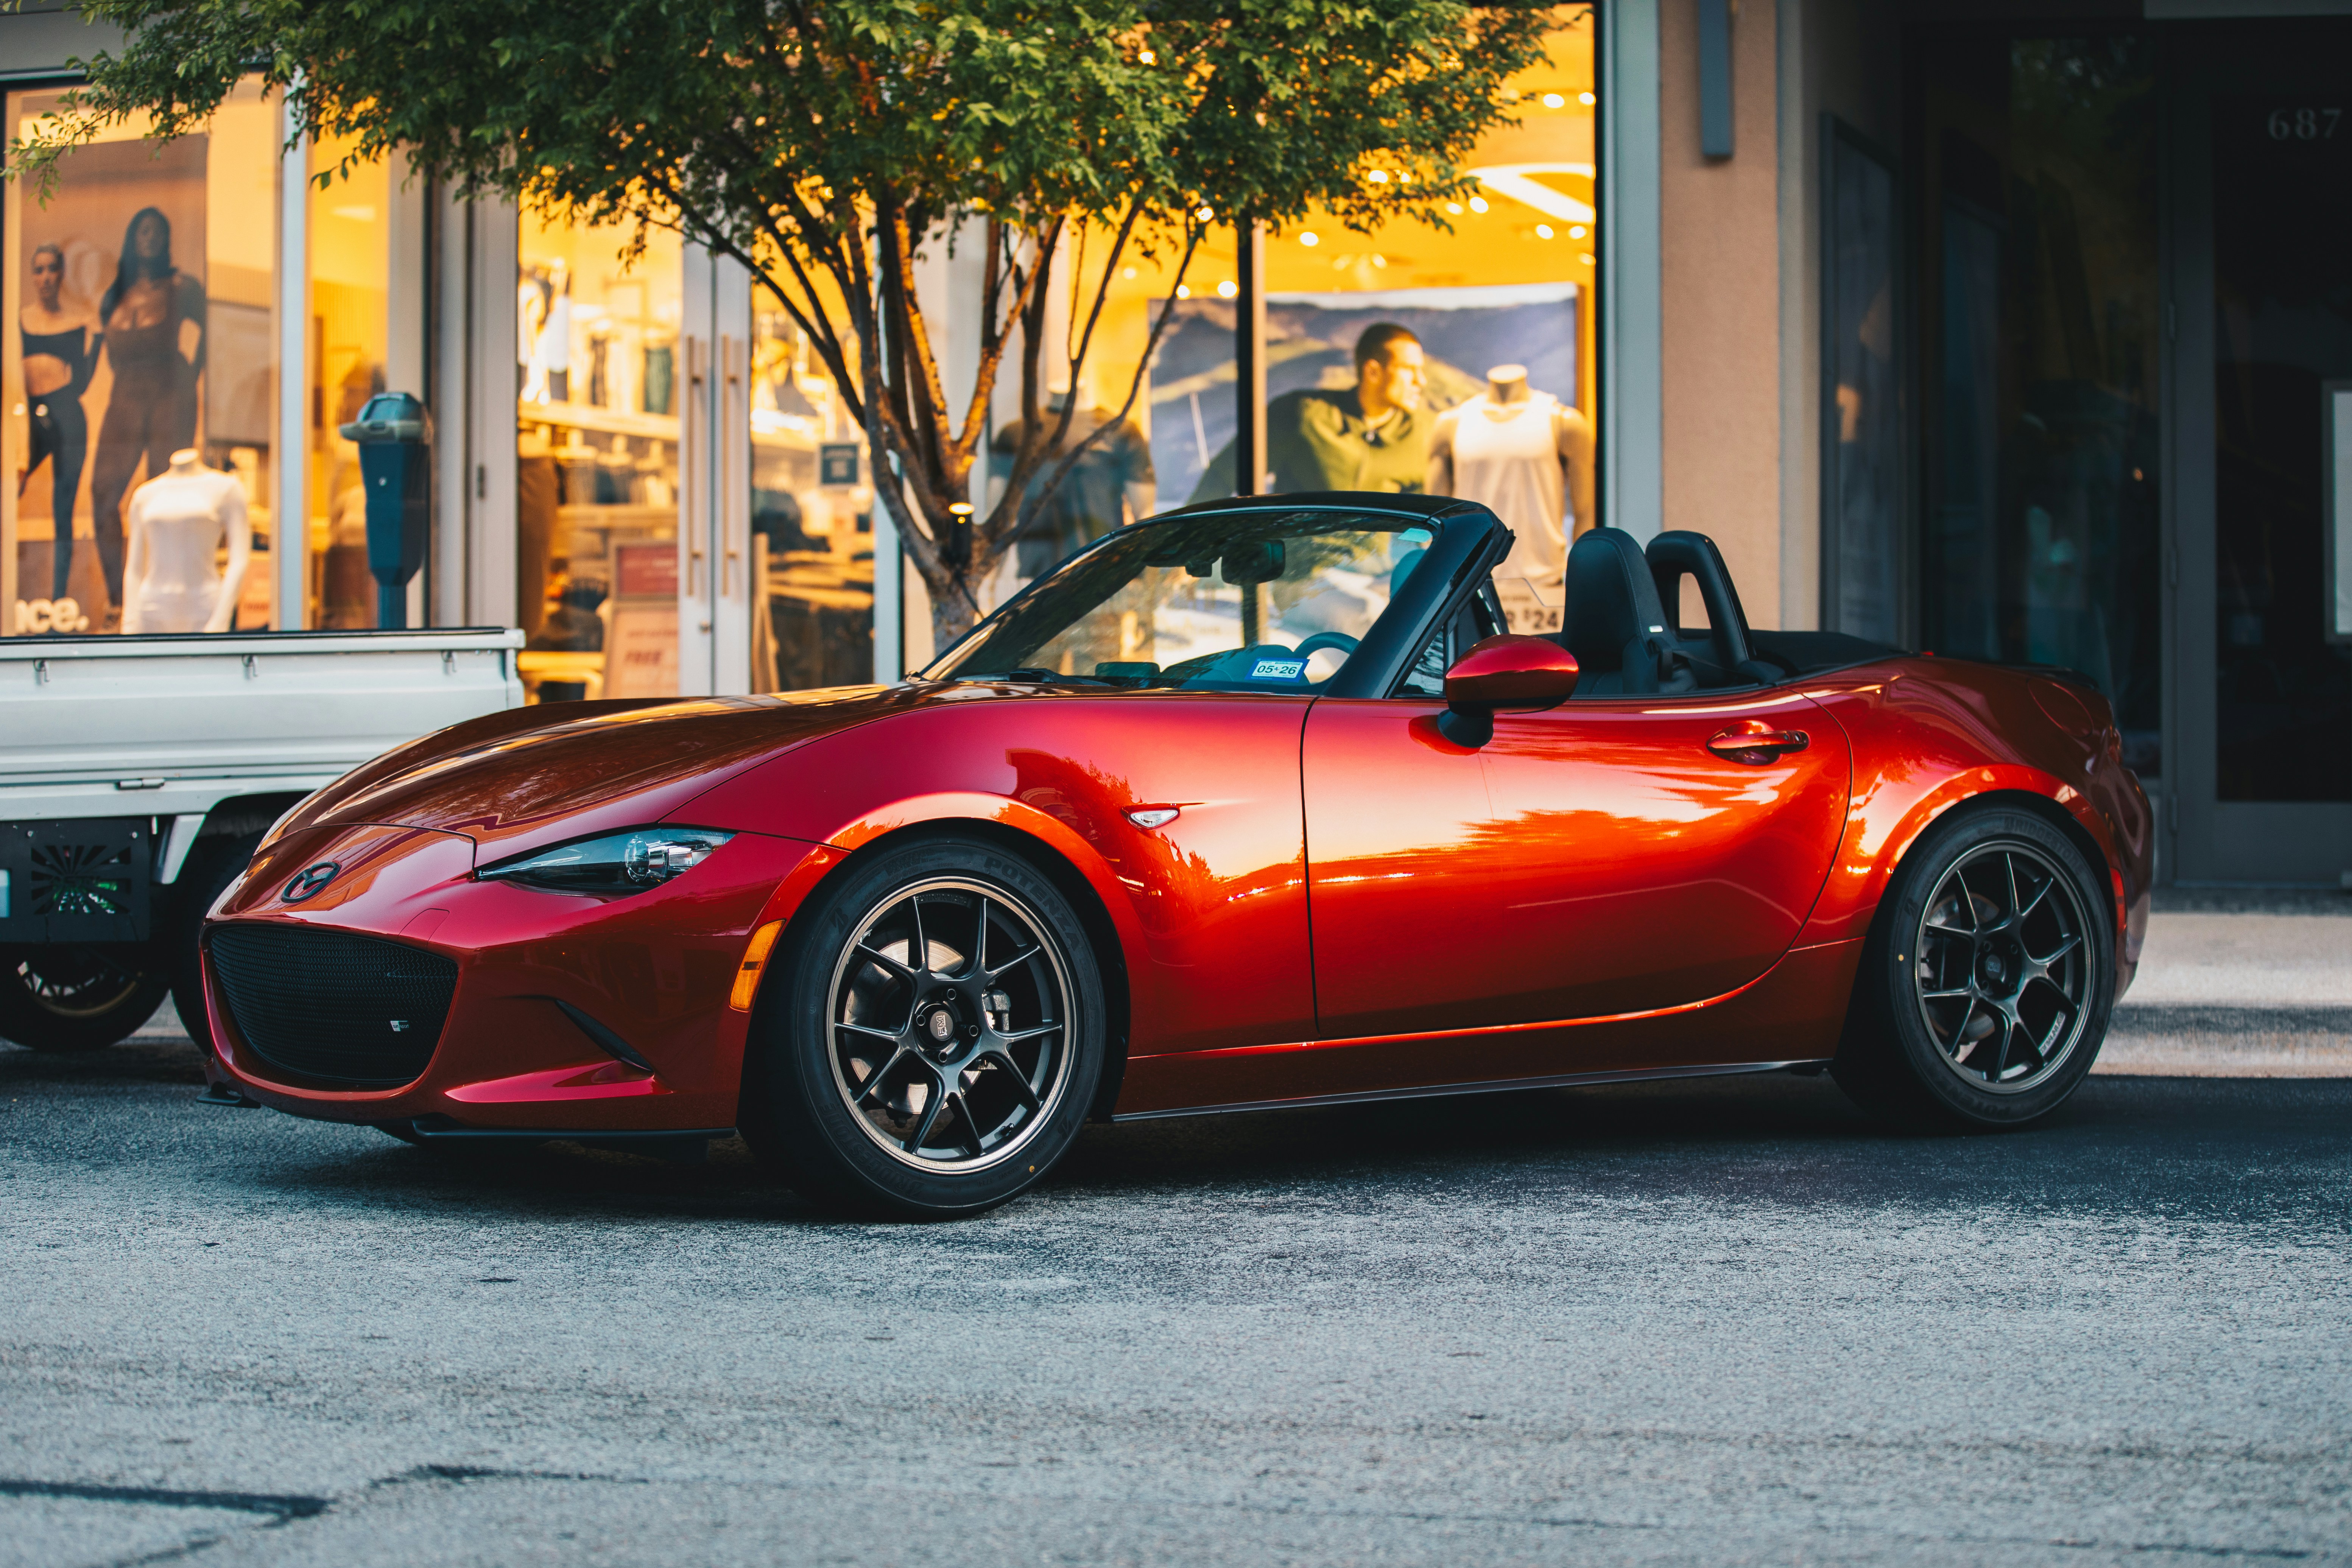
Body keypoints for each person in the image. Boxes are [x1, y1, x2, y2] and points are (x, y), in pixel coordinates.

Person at [89, 207, 206, 625]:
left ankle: (164, 593)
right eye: (143, 231)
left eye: (158, 231)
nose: (150, 238)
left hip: (168, 394)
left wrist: (191, 374)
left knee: (164, 496)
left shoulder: (182, 288)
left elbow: (212, 331)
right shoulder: (113, 297)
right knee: (102, 495)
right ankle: (119, 600)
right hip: (124, 398)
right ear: (132, 239)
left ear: (166, 239)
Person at [1188, 322, 1429, 502]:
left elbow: (1427, 516)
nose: (1422, 381)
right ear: (1373, 372)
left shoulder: (1422, 434)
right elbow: (1222, 477)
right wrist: (1182, 556)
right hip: (1303, 568)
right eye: (1409, 370)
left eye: (1422, 370)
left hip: (1381, 570)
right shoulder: (1303, 415)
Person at [19, 243, 100, 606]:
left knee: (63, 510)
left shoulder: (76, 324)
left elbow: (81, 383)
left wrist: (97, 342)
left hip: (67, 415)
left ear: (62, 274)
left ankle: (58, 600)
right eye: (39, 270)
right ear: (32, 276)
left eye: (52, 269)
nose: (46, 277)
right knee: (11, 489)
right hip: (29, 415)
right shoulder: (20, 320)